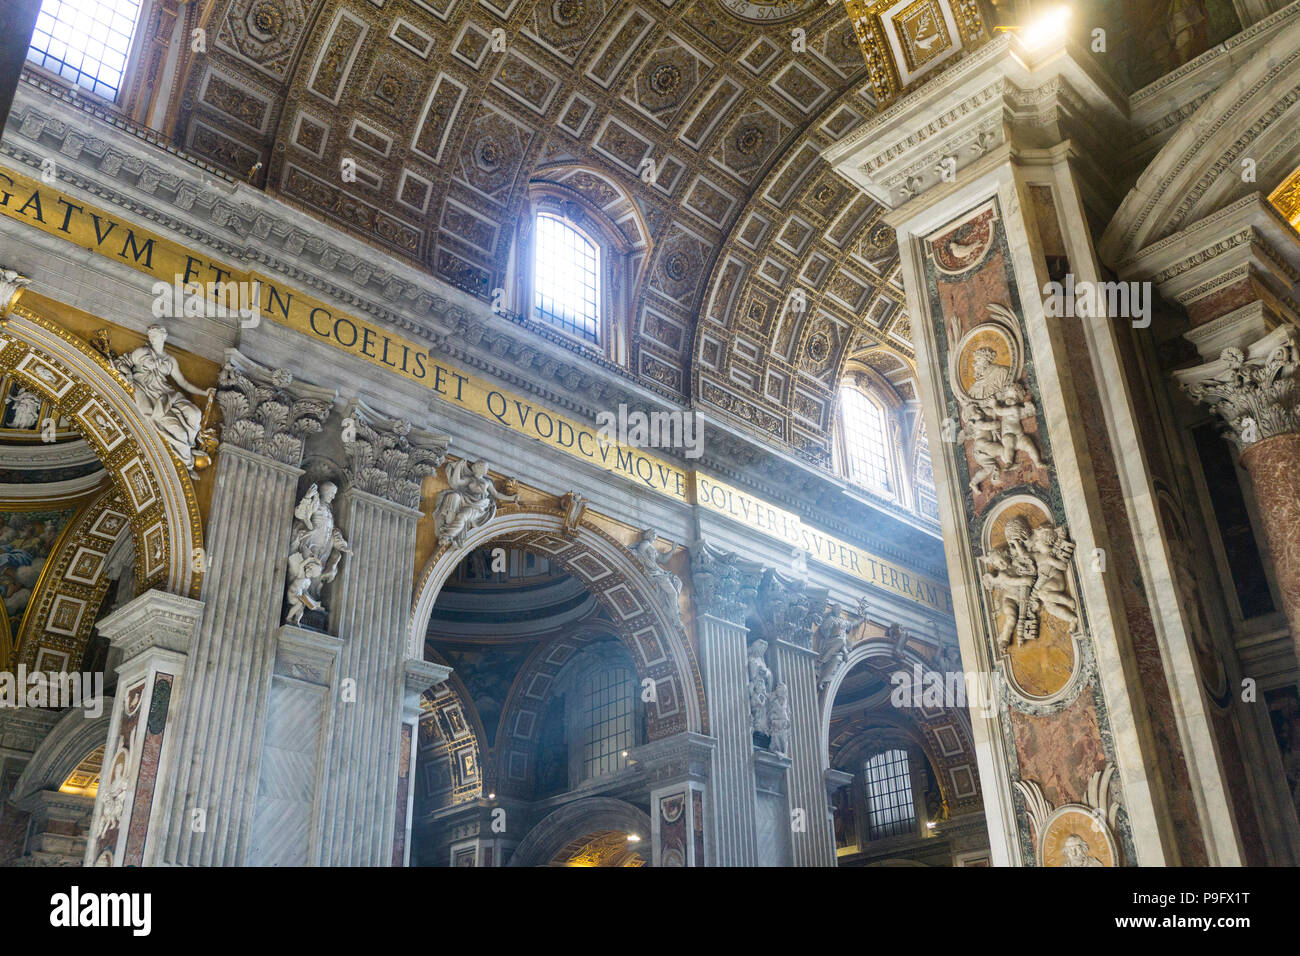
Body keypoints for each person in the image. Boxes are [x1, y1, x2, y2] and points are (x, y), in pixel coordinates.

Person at [114, 325, 212, 478]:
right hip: (146, 394)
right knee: (178, 432)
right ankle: (187, 462)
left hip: (166, 394)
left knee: (195, 413)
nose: (153, 339)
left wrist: (204, 392)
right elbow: (122, 362)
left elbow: (183, 383)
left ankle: (189, 446)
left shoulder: (169, 360)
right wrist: (127, 375)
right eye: (151, 336)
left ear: (164, 337)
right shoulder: (142, 352)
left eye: (156, 336)